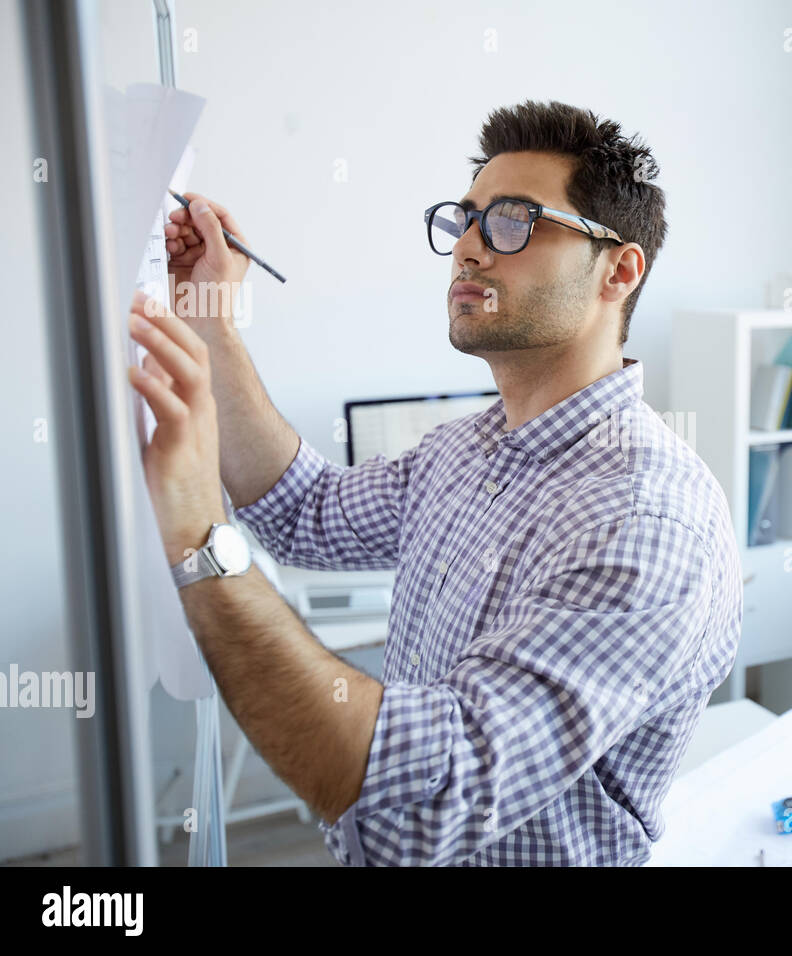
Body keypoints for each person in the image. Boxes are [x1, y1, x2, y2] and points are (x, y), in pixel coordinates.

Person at [126, 99, 742, 866]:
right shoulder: (469, 447)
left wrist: (196, 533)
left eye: (515, 221)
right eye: (467, 219)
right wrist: (212, 316)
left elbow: (433, 790)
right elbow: (307, 510)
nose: (470, 251)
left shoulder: (646, 518)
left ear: (618, 270)